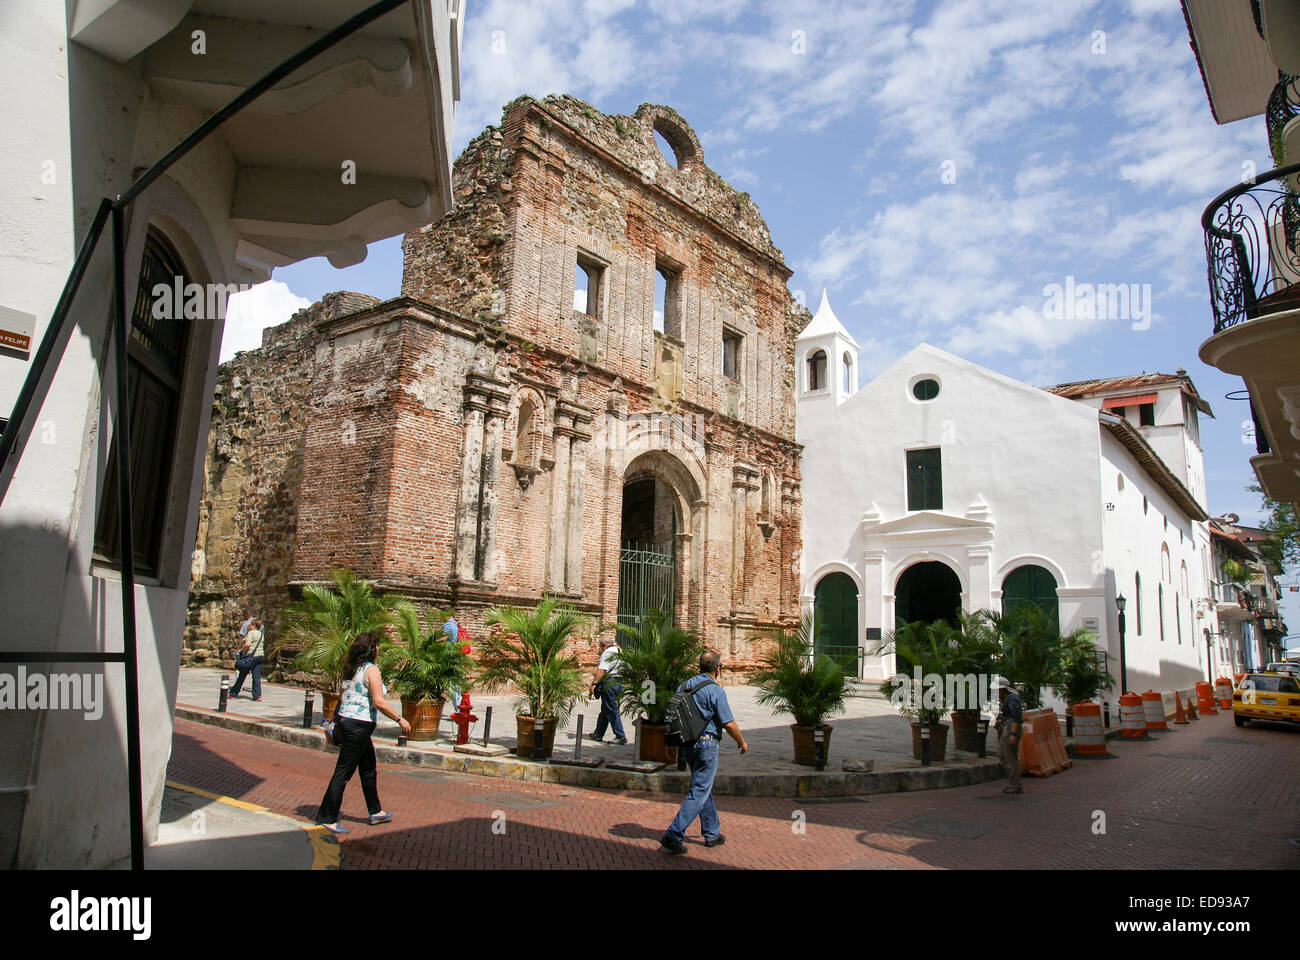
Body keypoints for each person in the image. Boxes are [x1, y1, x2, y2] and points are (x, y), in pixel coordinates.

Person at [314, 632, 411, 834]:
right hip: (359, 725)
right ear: (372, 649)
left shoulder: (351, 668)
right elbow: (378, 701)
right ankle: (327, 817)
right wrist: (399, 719)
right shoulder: (371, 670)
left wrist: (334, 719)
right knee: (343, 772)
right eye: (377, 646)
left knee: (368, 767)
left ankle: (375, 811)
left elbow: (342, 696)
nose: (378, 650)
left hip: (346, 721)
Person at [661, 650, 747, 855]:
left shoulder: (684, 685)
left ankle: (712, 833)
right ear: (718, 669)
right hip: (706, 744)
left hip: (687, 744)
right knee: (699, 790)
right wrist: (741, 742)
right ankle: (673, 833)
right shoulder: (715, 690)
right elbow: (728, 723)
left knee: (701, 786)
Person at [589, 635, 627, 745]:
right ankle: (598, 733)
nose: (598, 650)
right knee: (605, 710)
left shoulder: (608, 653)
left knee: (611, 709)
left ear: (604, 645)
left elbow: (602, 670)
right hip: (618, 682)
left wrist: (594, 684)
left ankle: (620, 736)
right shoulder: (619, 651)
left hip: (609, 684)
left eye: (599, 647)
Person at [994, 677, 1023, 794]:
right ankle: (1014, 782)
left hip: (1010, 728)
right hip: (1007, 727)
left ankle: (1015, 783)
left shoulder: (1012, 700)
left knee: (1008, 755)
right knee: (1002, 754)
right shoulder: (1008, 699)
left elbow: (1016, 718)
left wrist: (1012, 734)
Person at [229, 618, 266, 701]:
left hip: (251, 657)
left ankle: (233, 693)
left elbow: (247, 645)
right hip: (260, 656)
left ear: (253, 625)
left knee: (242, 674)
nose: (248, 626)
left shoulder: (251, 633)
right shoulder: (261, 634)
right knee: (256, 676)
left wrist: (241, 651)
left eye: (250, 624)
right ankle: (257, 695)